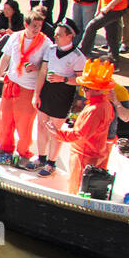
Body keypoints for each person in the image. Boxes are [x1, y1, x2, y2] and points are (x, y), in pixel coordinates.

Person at [0, 8, 47, 169]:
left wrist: (36, 67)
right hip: (10, 83)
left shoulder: (46, 43)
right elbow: (5, 58)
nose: (37, 29)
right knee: (6, 120)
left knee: (24, 124)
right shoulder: (15, 37)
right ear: (26, 25)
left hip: (28, 88)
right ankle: (5, 150)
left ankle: (23, 153)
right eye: (34, 26)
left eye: (39, 26)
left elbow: (47, 66)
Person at [51, 59, 118, 195]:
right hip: (97, 153)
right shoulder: (106, 105)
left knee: (76, 189)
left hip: (84, 156)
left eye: (86, 88)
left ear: (96, 89)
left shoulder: (94, 109)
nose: (82, 90)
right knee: (90, 187)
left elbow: (80, 135)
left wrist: (57, 133)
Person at [31, 19, 86, 178]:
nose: (55, 37)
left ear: (69, 36)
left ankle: (51, 162)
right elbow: (42, 72)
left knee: (55, 130)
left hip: (62, 95)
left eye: (59, 35)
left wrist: (63, 79)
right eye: (55, 34)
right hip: (46, 91)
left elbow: (82, 80)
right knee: (41, 125)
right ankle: (41, 157)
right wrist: (36, 94)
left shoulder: (78, 57)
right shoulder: (51, 49)